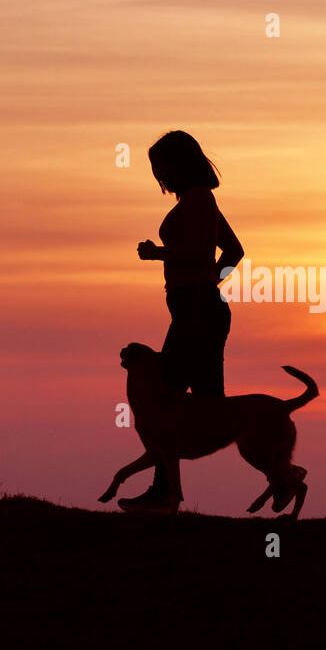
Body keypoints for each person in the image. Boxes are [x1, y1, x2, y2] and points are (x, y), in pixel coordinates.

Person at [118, 131, 243, 514]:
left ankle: (164, 494)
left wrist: (161, 255)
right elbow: (233, 252)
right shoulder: (199, 200)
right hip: (195, 306)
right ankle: (166, 493)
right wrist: (207, 281)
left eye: (162, 166)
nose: (159, 175)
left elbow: (198, 251)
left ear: (180, 163)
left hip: (198, 310)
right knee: (198, 404)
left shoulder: (200, 199)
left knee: (173, 400)